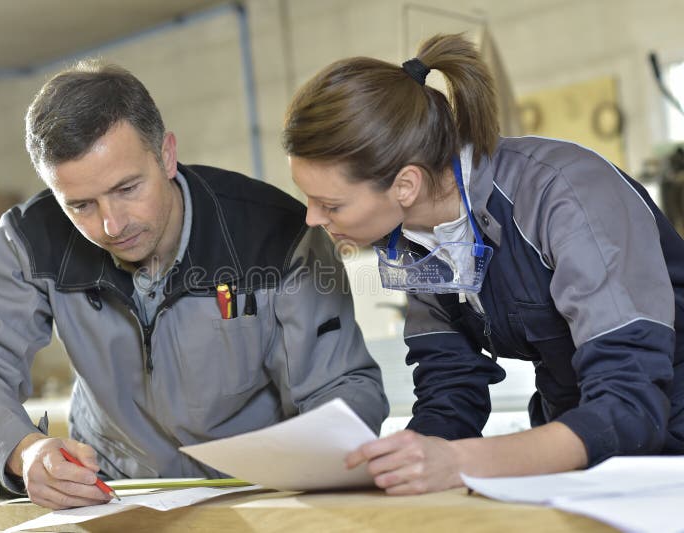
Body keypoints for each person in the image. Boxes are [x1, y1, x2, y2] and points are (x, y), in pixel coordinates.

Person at [0, 60, 388, 509]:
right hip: (111, 495)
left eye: (128, 188)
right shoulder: (30, 238)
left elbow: (340, 387)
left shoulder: (278, 235)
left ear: (167, 154)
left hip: (254, 494)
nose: (112, 224)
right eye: (81, 206)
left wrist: (316, 477)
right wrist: (22, 449)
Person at [283, 33, 684, 495]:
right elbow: (450, 384)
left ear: (406, 184)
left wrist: (460, 461)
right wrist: (405, 465)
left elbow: (630, 403)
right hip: (579, 453)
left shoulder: (565, 198)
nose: (312, 218)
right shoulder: (411, 241)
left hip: (665, 444)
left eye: (330, 204)